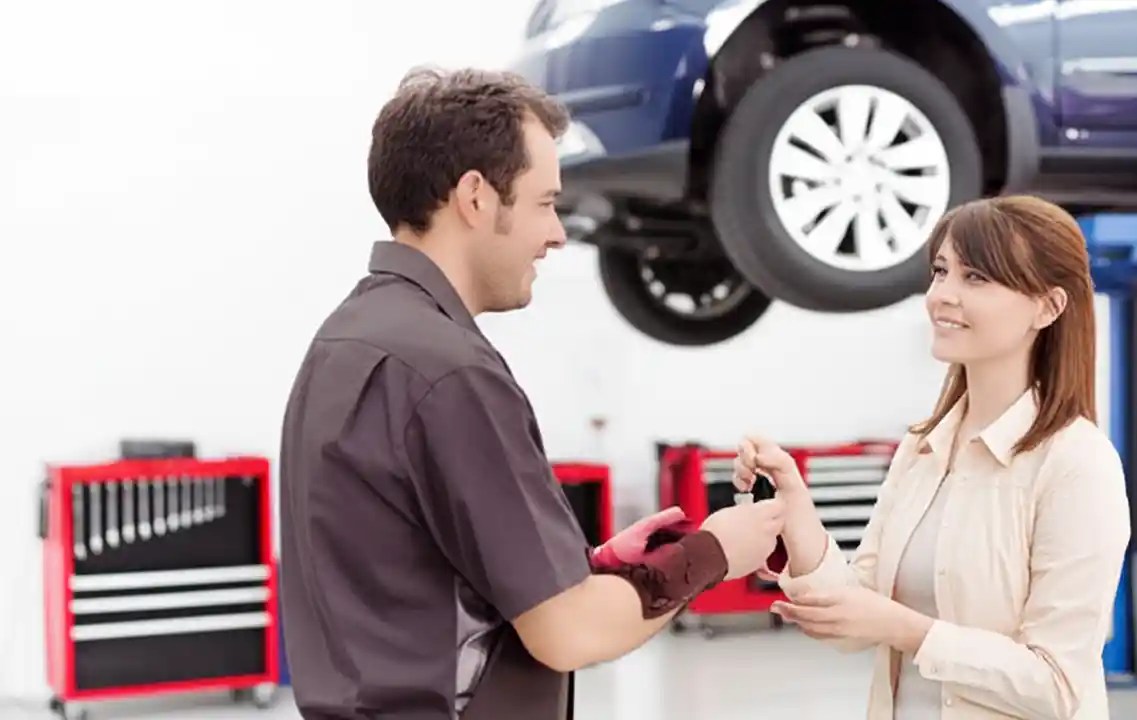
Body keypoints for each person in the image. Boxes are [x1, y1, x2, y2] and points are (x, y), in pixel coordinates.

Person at [277, 66, 787, 720]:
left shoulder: (345, 340)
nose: (558, 233)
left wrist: (588, 565)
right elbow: (570, 631)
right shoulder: (450, 372)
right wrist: (717, 552)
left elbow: (413, 577)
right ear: (476, 197)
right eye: (546, 202)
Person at [734, 196, 1131, 720]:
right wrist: (793, 502)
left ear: (1048, 307)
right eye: (941, 272)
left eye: (977, 278)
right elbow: (858, 613)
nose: (942, 296)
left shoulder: (1077, 464)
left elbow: (1057, 686)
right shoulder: (923, 449)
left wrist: (906, 630)